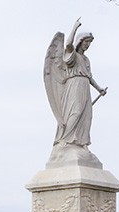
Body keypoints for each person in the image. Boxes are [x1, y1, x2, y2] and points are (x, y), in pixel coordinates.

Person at [44, 19, 108, 149]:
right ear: (80, 42)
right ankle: (65, 139)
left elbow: (89, 77)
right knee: (76, 112)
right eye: (86, 42)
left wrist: (99, 89)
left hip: (85, 86)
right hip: (74, 85)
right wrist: (75, 27)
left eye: (89, 43)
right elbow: (68, 44)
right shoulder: (71, 55)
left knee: (87, 114)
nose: (87, 45)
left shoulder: (86, 59)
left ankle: (81, 142)